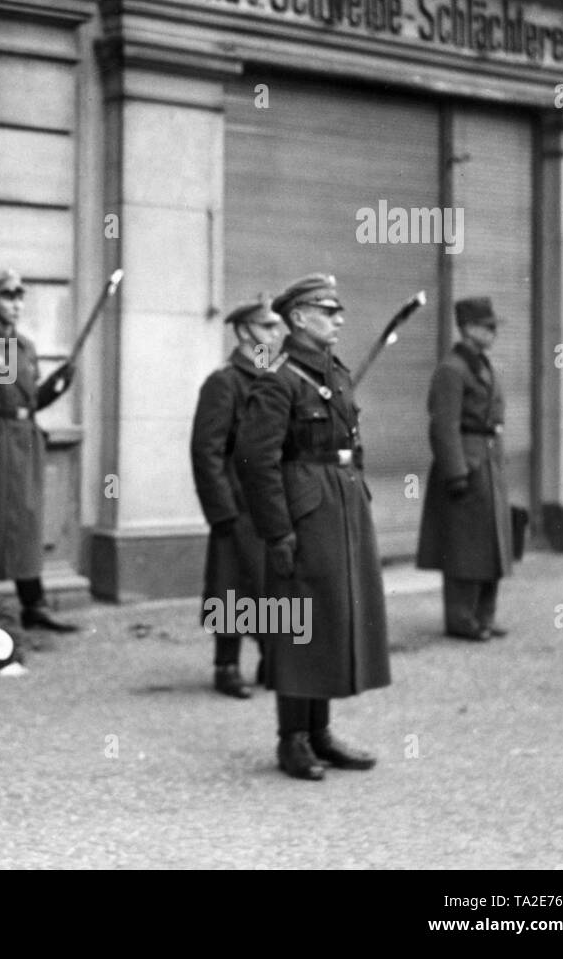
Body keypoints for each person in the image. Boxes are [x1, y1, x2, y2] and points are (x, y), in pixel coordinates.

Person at [234, 274, 389, 781]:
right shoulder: (277, 378)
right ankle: (292, 739)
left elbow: (351, 441)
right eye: (327, 311)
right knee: (298, 621)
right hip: (304, 510)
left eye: (338, 311)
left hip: (341, 504)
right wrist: (277, 531)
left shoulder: (335, 372)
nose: (338, 319)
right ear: (298, 318)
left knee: (331, 619)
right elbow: (255, 461)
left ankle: (320, 731)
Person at [0, 270, 78, 633]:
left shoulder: (25, 347)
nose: (16, 304)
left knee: (26, 525)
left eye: (19, 297)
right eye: (7, 297)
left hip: (24, 445)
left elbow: (29, 401)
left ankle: (33, 606)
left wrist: (56, 386)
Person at [190, 296, 284, 698]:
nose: (276, 334)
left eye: (277, 327)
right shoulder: (224, 382)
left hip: (272, 501)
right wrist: (222, 512)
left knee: (272, 582)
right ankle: (226, 666)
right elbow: (206, 450)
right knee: (231, 585)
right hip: (238, 504)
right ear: (245, 331)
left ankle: (270, 658)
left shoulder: (276, 378)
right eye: (267, 327)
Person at [415, 296, 513, 641]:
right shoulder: (452, 369)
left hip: (487, 463)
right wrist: (456, 473)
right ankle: (461, 619)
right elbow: (444, 425)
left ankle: (484, 616)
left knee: (491, 544)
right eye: (487, 327)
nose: (493, 332)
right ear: (468, 328)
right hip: (466, 465)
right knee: (464, 547)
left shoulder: (481, 364)